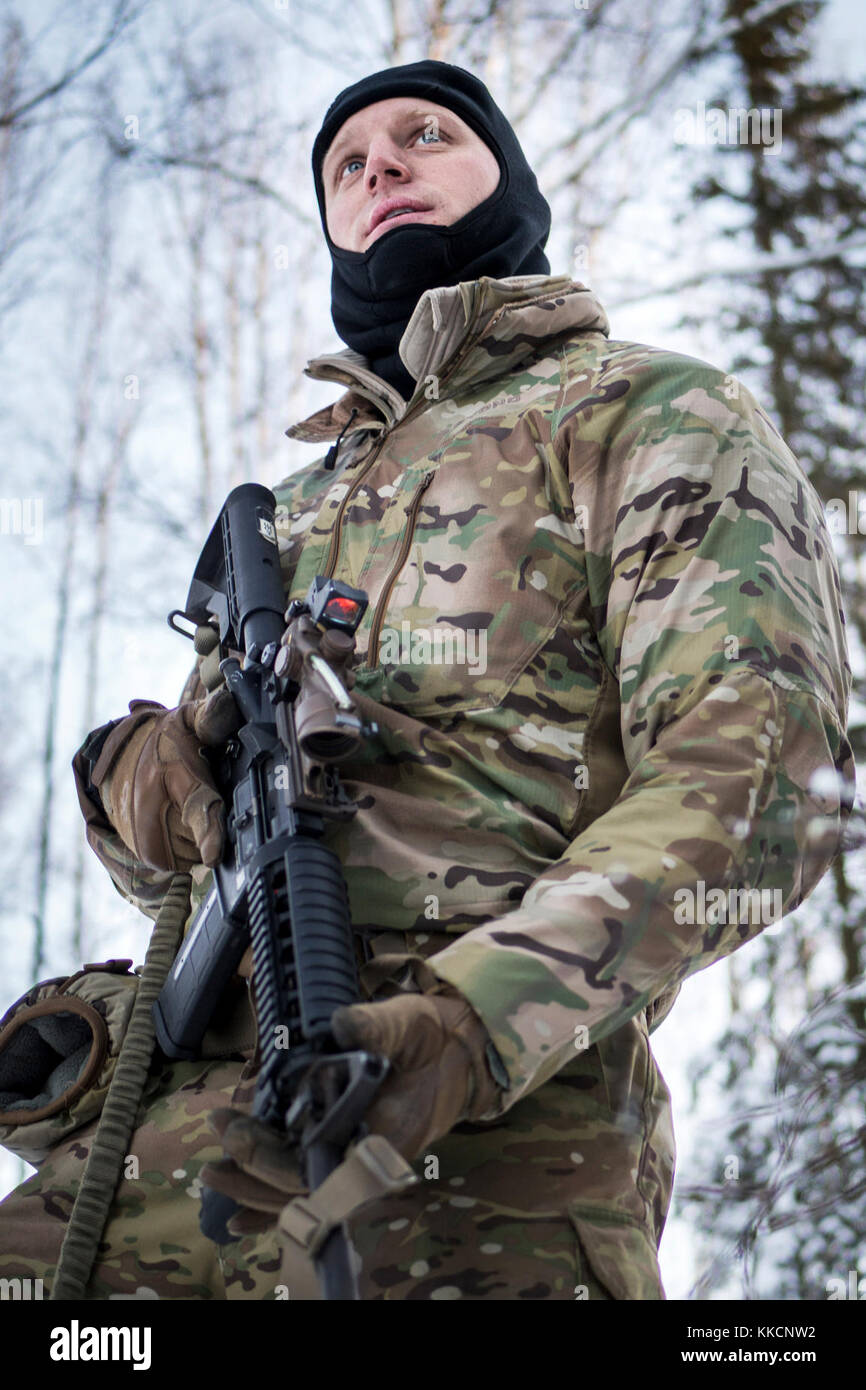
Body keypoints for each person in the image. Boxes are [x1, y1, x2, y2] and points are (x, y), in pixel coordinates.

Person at [0, 59, 854, 1302]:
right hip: (158, 1164)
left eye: (423, 135)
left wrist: (473, 1021)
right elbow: (187, 874)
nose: (379, 166)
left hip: (487, 1165)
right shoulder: (287, 514)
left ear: (506, 178)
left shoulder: (642, 411)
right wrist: (137, 780)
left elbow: (761, 774)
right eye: (345, 166)